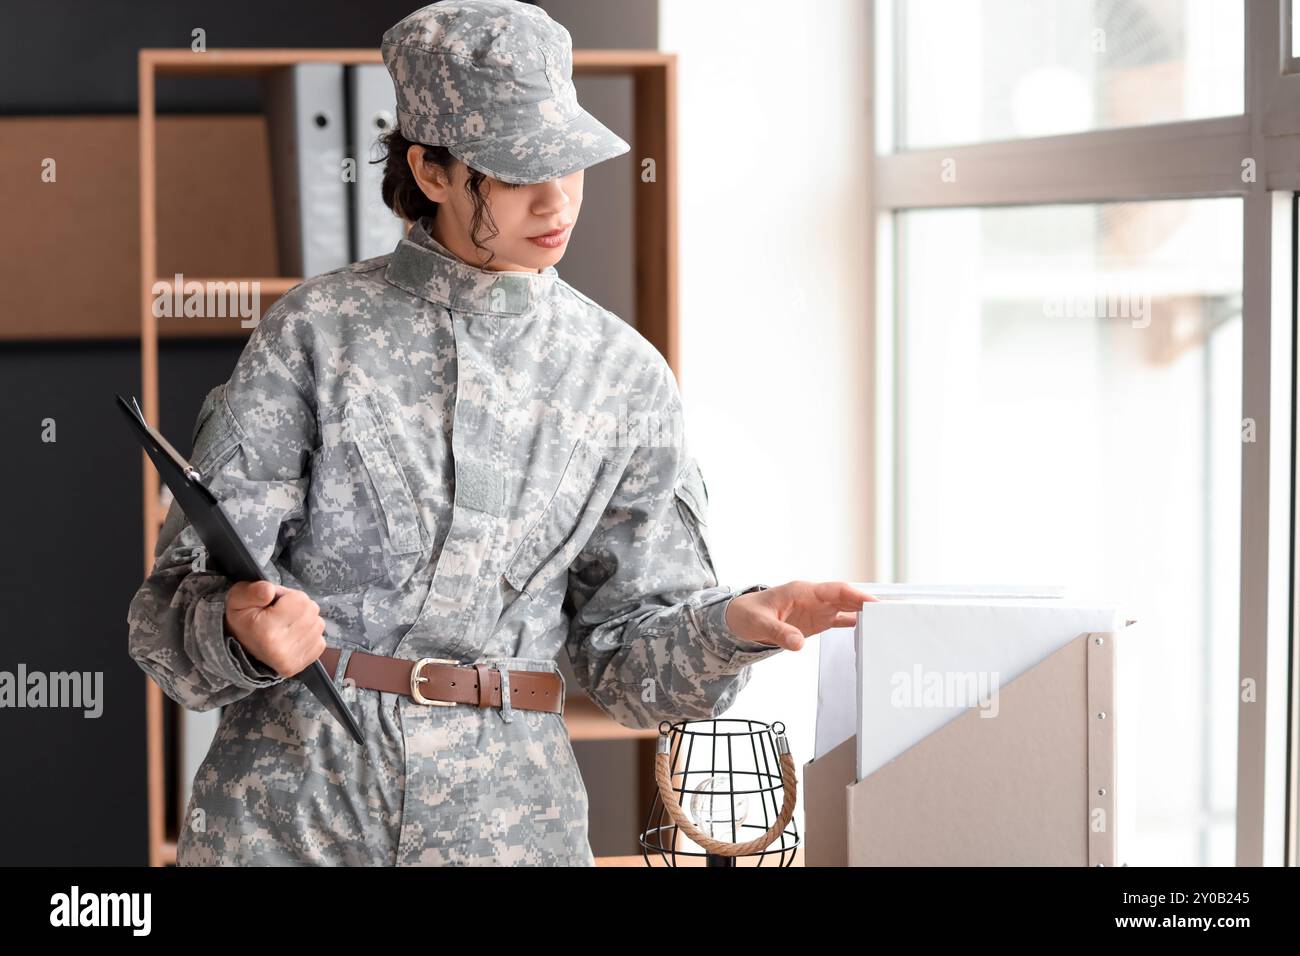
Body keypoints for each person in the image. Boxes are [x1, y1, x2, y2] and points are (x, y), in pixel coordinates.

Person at [126, 0, 874, 866]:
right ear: (433, 172)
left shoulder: (622, 377)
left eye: (571, 164)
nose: (557, 201)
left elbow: (627, 672)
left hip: (513, 831)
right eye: (520, 172)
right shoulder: (314, 335)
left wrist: (734, 625)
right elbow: (165, 624)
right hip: (291, 818)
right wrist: (240, 632)